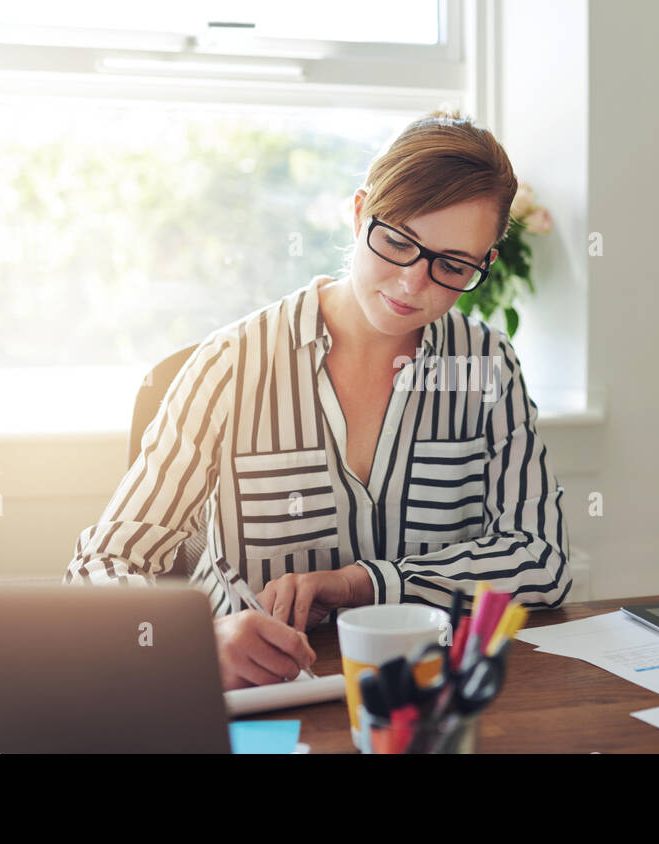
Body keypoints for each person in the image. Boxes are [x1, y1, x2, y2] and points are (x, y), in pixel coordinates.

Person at [64, 108, 571, 690]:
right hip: (259, 701)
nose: (413, 282)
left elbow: (540, 559)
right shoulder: (232, 363)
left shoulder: (487, 367)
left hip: (424, 698)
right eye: (398, 242)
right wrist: (197, 644)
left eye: (452, 265)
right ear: (360, 215)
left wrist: (365, 581)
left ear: (483, 264)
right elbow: (102, 564)